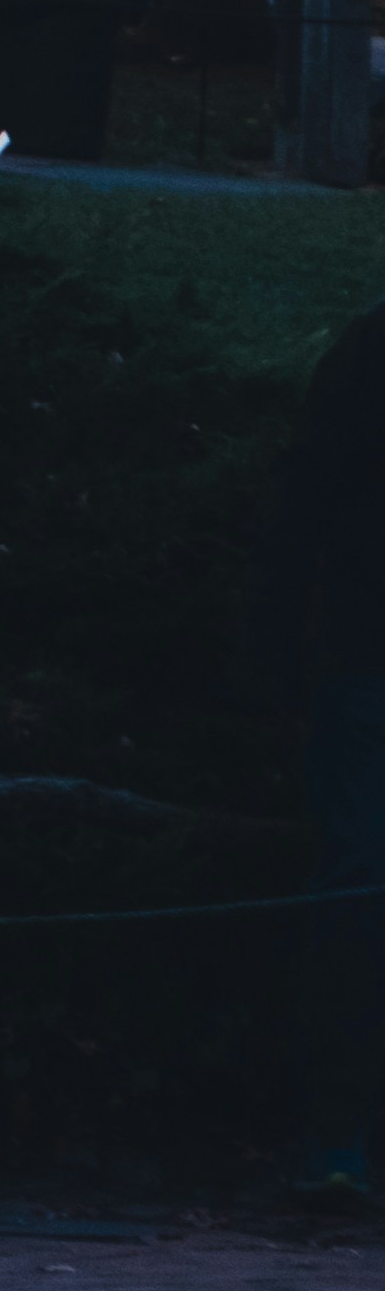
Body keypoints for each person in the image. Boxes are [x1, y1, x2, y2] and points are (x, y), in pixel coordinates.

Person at [272, 291, 385, 1211]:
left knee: (357, 882)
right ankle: (337, 1135)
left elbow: (298, 511)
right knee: (357, 887)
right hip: (366, 667)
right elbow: (303, 510)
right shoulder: (371, 349)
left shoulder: (367, 346)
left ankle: (338, 1140)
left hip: (362, 667)